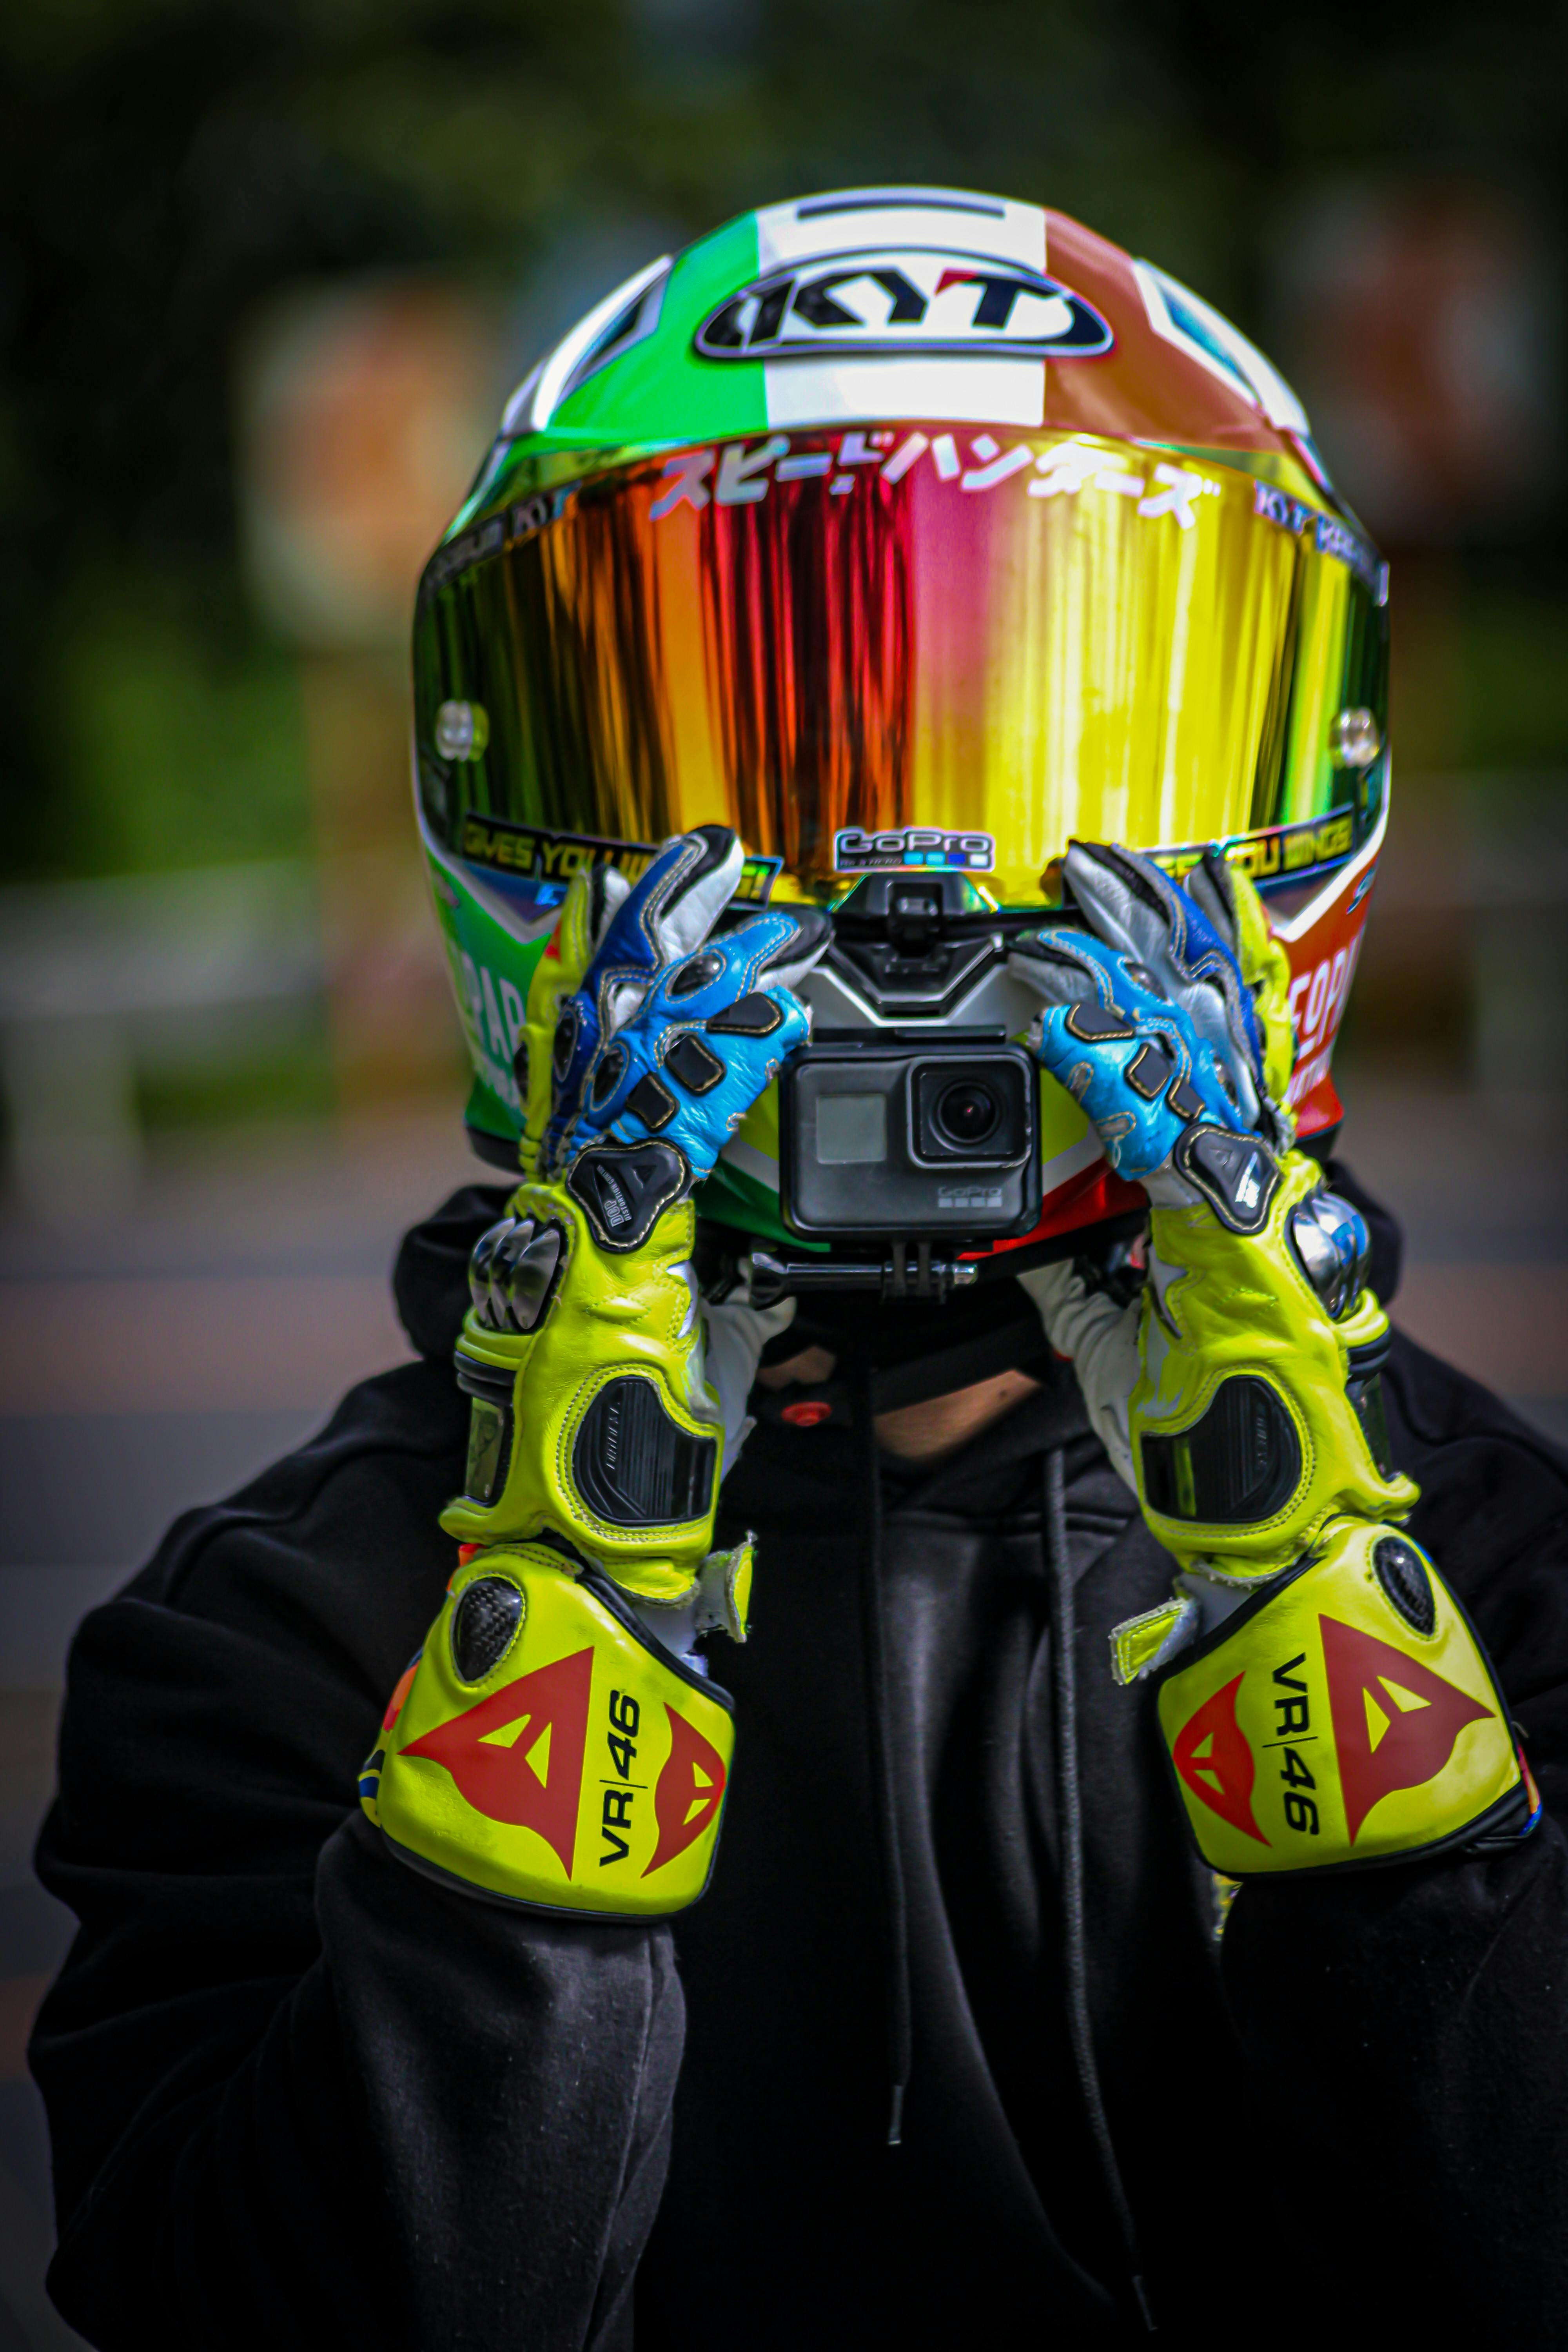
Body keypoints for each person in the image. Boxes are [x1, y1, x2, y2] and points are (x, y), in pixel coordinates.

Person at [30, 188, 1568, 2348]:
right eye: (753, 770)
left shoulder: (1498, 1572)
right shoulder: (291, 1622)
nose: (904, 904)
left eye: (1031, 768)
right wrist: (562, 1589)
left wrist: (1309, 1585)